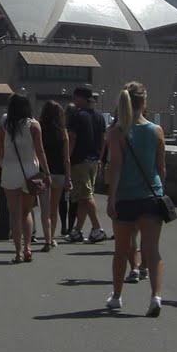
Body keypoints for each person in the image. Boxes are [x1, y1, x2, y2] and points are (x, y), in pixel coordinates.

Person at [104, 82, 166, 316]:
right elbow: (161, 167)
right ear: (144, 103)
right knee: (152, 250)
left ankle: (117, 296)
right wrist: (162, 192)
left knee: (121, 250)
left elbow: (116, 166)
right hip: (151, 195)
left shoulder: (116, 132)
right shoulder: (156, 131)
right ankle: (155, 297)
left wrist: (111, 198)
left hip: (126, 197)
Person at [0, 93, 47, 263]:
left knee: (14, 213)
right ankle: (28, 248)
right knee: (27, 211)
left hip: (10, 171)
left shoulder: (4, 126)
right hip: (30, 171)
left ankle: (18, 252)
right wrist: (47, 173)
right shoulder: (34, 125)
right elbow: (40, 151)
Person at [65, 87, 107, 243]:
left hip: (80, 161)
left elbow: (73, 139)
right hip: (94, 160)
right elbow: (103, 140)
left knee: (85, 195)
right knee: (84, 196)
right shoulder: (100, 117)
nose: (74, 101)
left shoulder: (77, 116)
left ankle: (97, 228)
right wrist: (101, 158)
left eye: (75, 98)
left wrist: (67, 158)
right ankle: (77, 230)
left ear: (82, 99)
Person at [38, 100, 69, 250]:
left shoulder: (40, 129)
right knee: (54, 207)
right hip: (60, 173)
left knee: (45, 209)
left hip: (44, 172)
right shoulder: (63, 132)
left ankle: (47, 239)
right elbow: (66, 158)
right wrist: (68, 177)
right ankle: (52, 237)